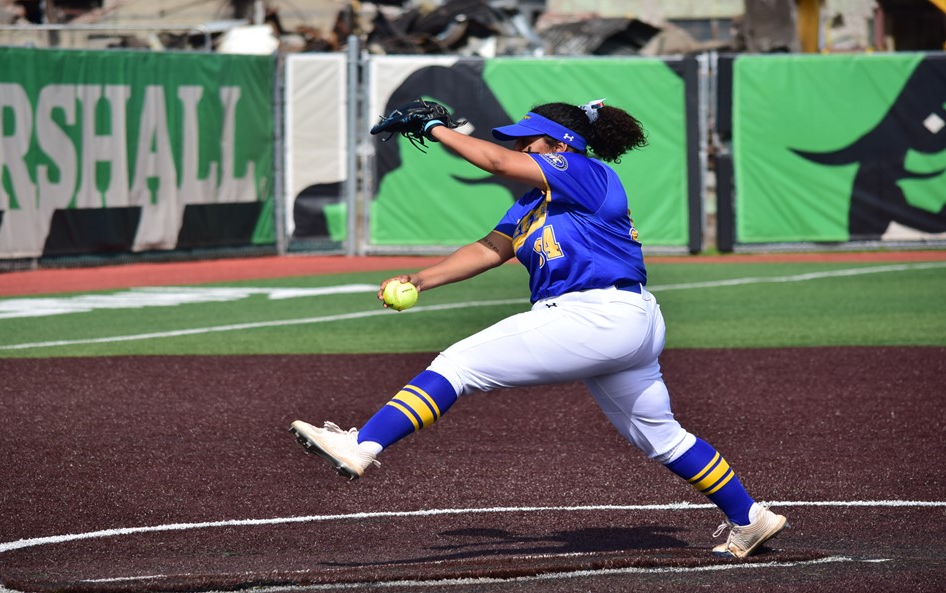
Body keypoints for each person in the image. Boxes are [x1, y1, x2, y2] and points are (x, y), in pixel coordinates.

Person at [289, 99, 788, 559]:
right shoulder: (533, 203)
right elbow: (490, 249)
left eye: (531, 138)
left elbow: (496, 162)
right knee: (662, 438)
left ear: (560, 144)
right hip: (622, 322)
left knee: (458, 365)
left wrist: (435, 128)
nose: (521, 146)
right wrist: (420, 278)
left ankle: (363, 445)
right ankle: (750, 517)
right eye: (520, 139)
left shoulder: (585, 171)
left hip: (594, 314)